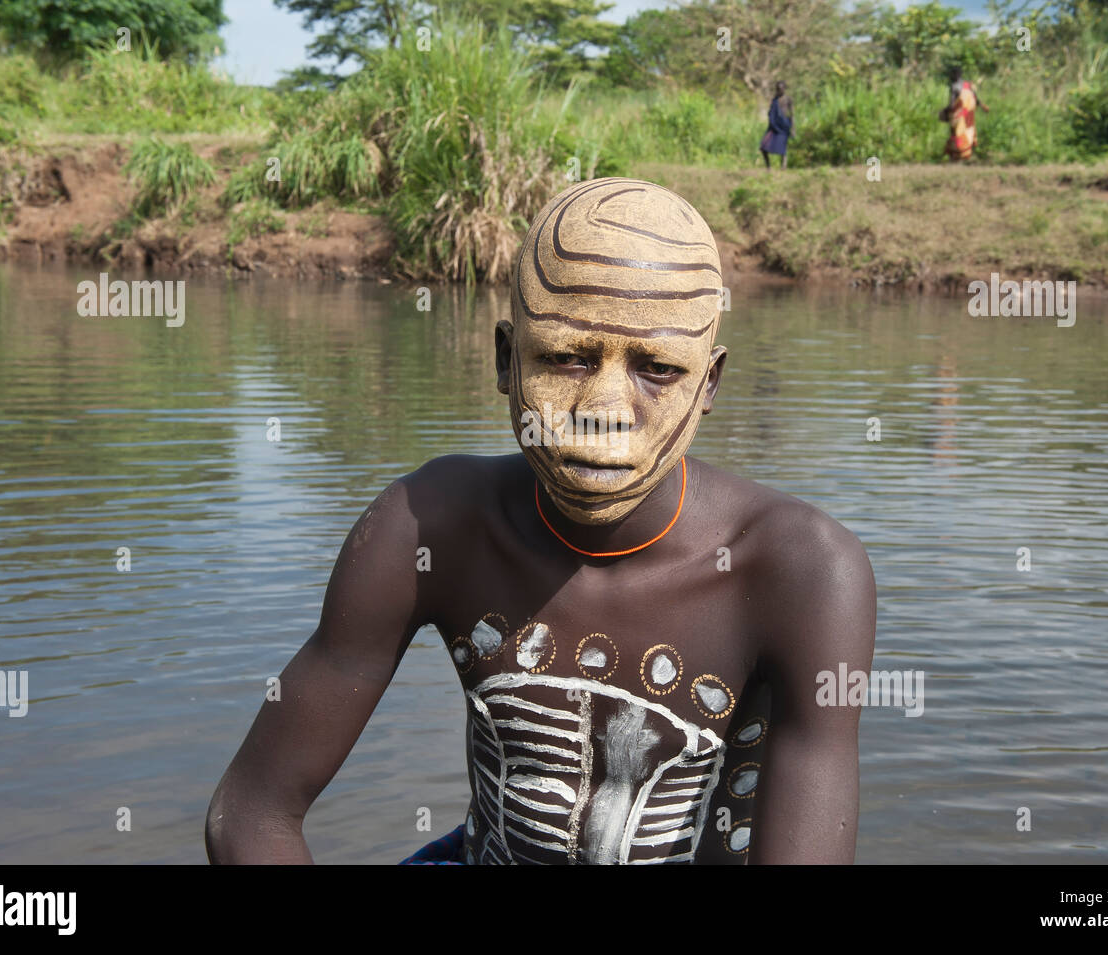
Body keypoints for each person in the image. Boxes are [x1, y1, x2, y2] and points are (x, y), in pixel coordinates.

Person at [205, 178, 877, 865]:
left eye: (657, 369)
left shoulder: (800, 572)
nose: (606, 409)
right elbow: (253, 812)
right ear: (506, 359)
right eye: (567, 357)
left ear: (708, 384)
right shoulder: (430, 527)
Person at [941, 65, 989, 161]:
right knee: (968, 133)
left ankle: (957, 156)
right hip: (969, 114)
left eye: (951, 75)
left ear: (954, 75)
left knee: (957, 135)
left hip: (958, 115)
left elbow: (951, 105)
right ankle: (967, 155)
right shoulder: (967, 85)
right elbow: (975, 99)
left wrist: (944, 111)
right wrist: (983, 106)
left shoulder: (954, 87)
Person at [760, 81, 794, 169]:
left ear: (784, 89)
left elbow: (791, 115)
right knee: (763, 147)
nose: (779, 90)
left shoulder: (788, 99)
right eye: (778, 89)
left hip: (784, 126)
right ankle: (768, 167)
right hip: (773, 126)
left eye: (781, 88)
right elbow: (771, 113)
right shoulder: (774, 100)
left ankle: (784, 166)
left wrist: (793, 129)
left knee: (782, 147)